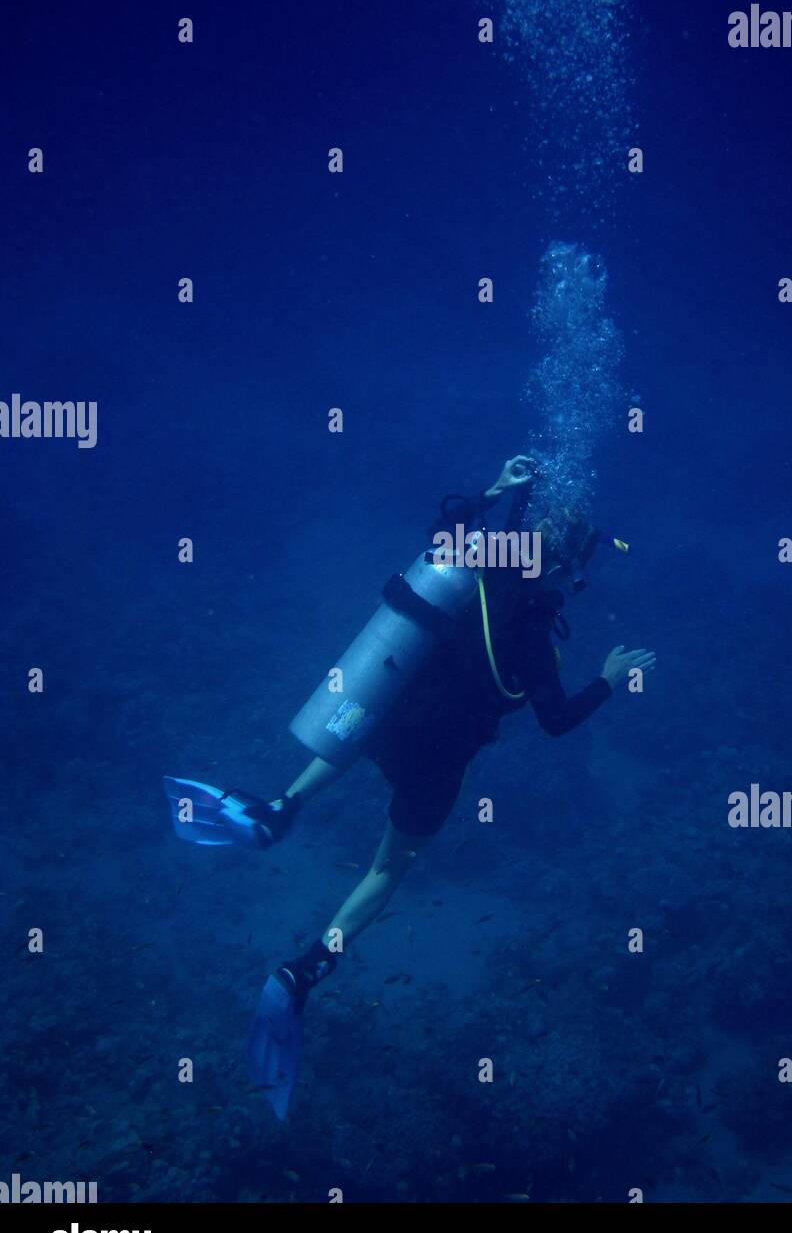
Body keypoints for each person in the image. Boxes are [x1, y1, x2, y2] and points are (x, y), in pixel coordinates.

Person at [166, 456, 655, 1117]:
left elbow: (443, 525)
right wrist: (607, 678)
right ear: (569, 567)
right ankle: (302, 971)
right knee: (388, 869)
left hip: (389, 712)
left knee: (356, 740)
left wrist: (497, 490)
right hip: (441, 756)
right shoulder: (538, 629)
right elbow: (557, 722)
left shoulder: (484, 557)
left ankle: (276, 810)